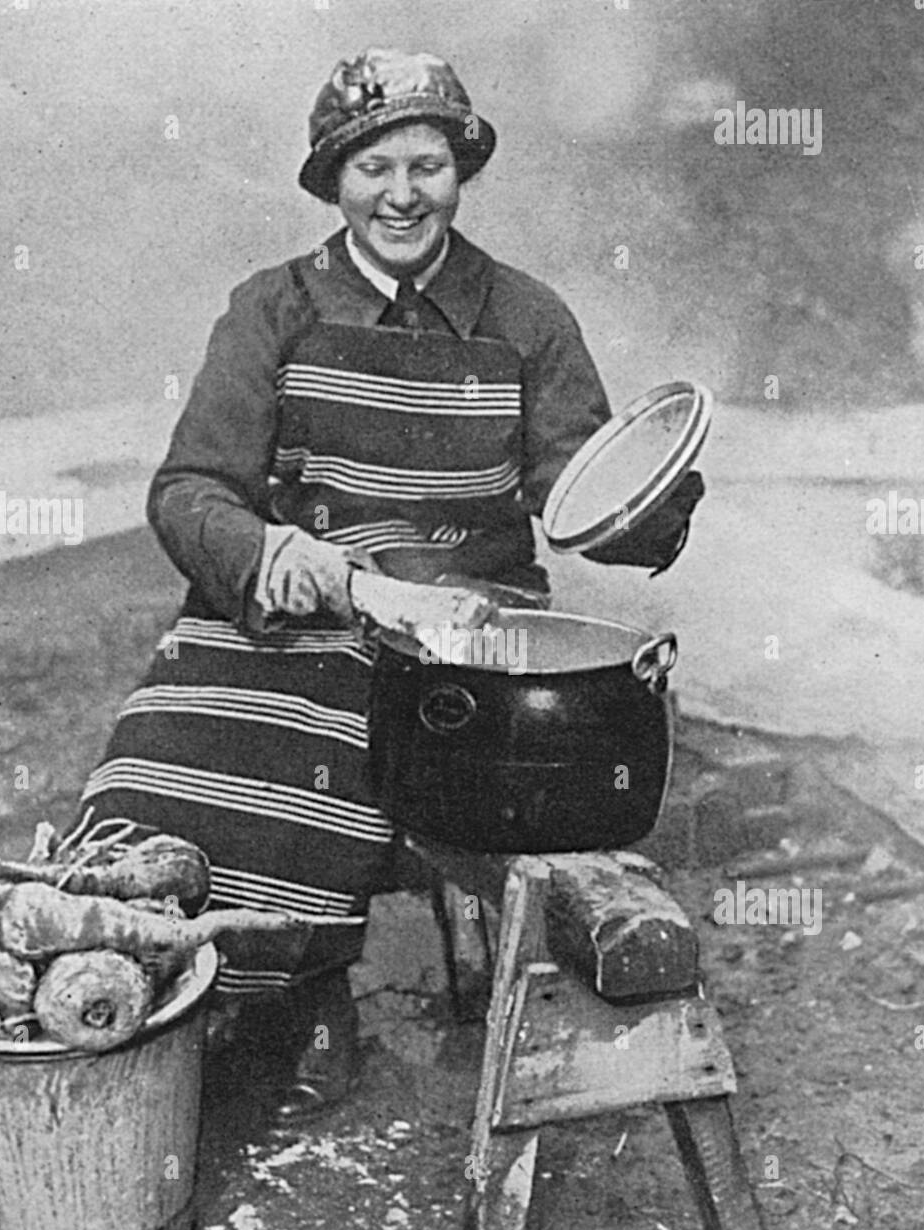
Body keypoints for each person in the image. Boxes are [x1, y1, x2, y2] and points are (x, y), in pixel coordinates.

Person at [76, 48, 702, 1116]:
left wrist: (651, 503)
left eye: (427, 165)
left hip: (462, 619)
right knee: (154, 772)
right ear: (333, 178)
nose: (402, 195)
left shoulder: (527, 318)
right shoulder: (270, 309)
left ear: (461, 172)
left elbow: (582, 494)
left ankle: (303, 989)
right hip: (293, 602)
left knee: (363, 744)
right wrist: (290, 560)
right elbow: (189, 489)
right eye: (373, 167)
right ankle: (227, 985)